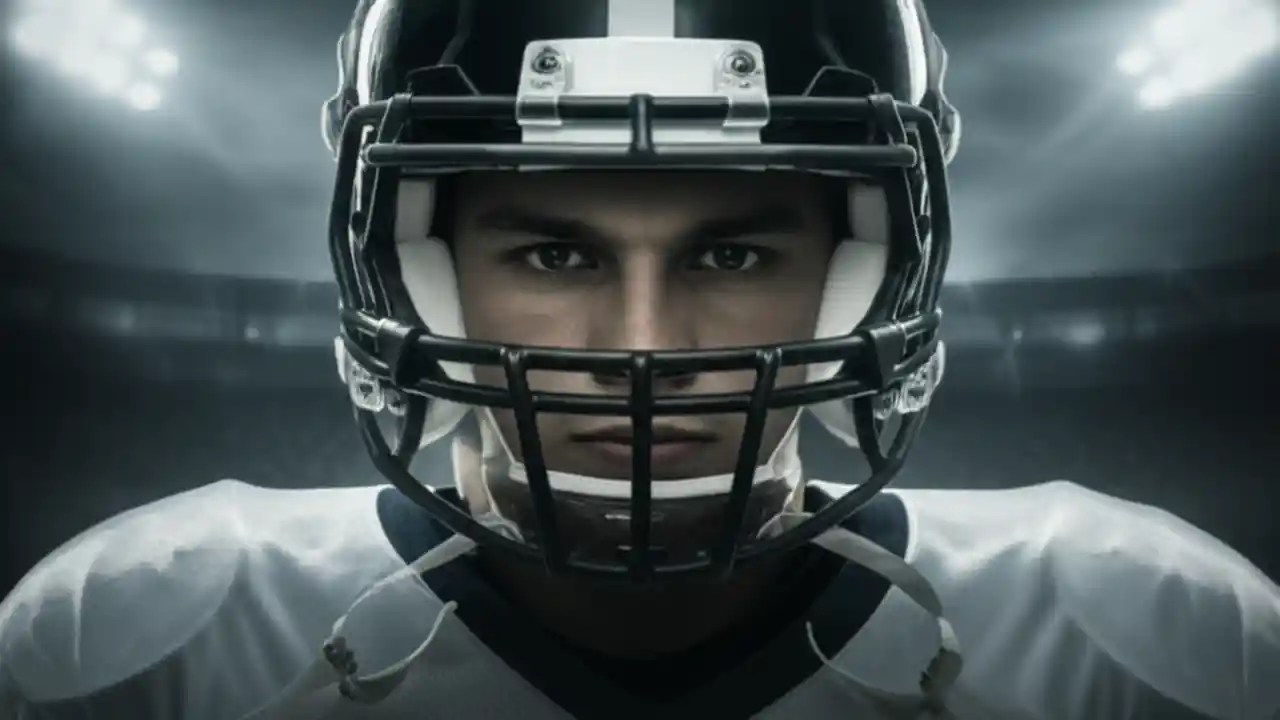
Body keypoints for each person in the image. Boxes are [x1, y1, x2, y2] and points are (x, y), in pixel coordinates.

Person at [2, 1, 1278, 718]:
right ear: (407, 268)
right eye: (555, 258)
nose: (642, 346)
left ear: (873, 272)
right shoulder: (147, 628)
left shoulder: (1145, 635)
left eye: (730, 258)